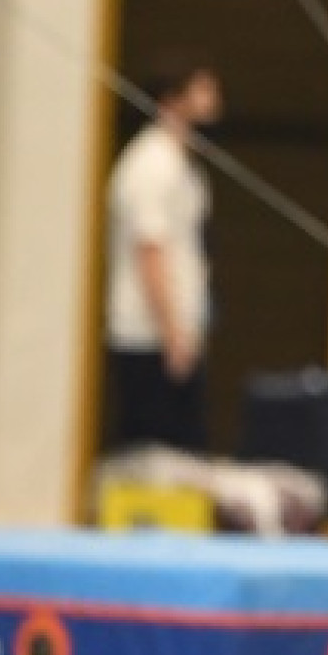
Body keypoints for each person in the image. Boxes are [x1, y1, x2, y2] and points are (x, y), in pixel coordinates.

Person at [102, 55, 223, 457]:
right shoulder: (150, 165)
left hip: (179, 331)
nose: (213, 100)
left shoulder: (184, 167)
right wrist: (170, 330)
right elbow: (149, 250)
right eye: (202, 90)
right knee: (154, 453)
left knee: (186, 453)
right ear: (172, 100)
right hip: (148, 336)